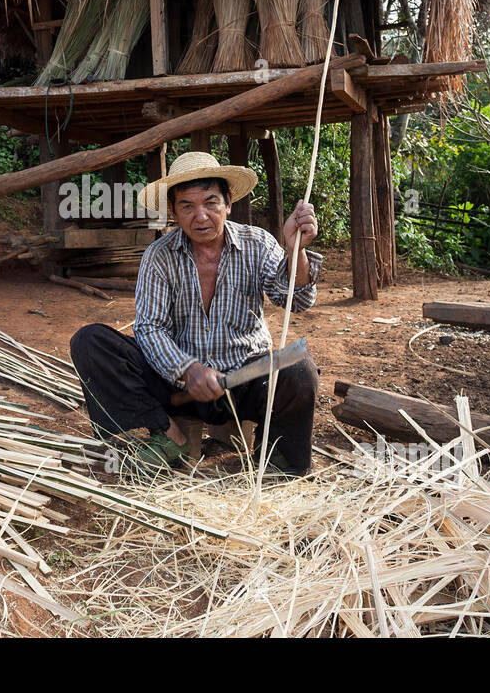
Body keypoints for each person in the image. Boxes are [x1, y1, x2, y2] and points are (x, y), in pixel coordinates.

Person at [69, 151, 321, 475]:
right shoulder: (159, 256)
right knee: (91, 342)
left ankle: (276, 458)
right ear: (173, 212)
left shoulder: (257, 243)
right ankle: (167, 434)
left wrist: (295, 249)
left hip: (242, 381)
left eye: (210, 203)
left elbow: (295, 300)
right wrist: (188, 370)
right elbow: (149, 327)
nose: (200, 216)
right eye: (187, 206)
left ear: (228, 203)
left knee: (299, 370)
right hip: (176, 385)